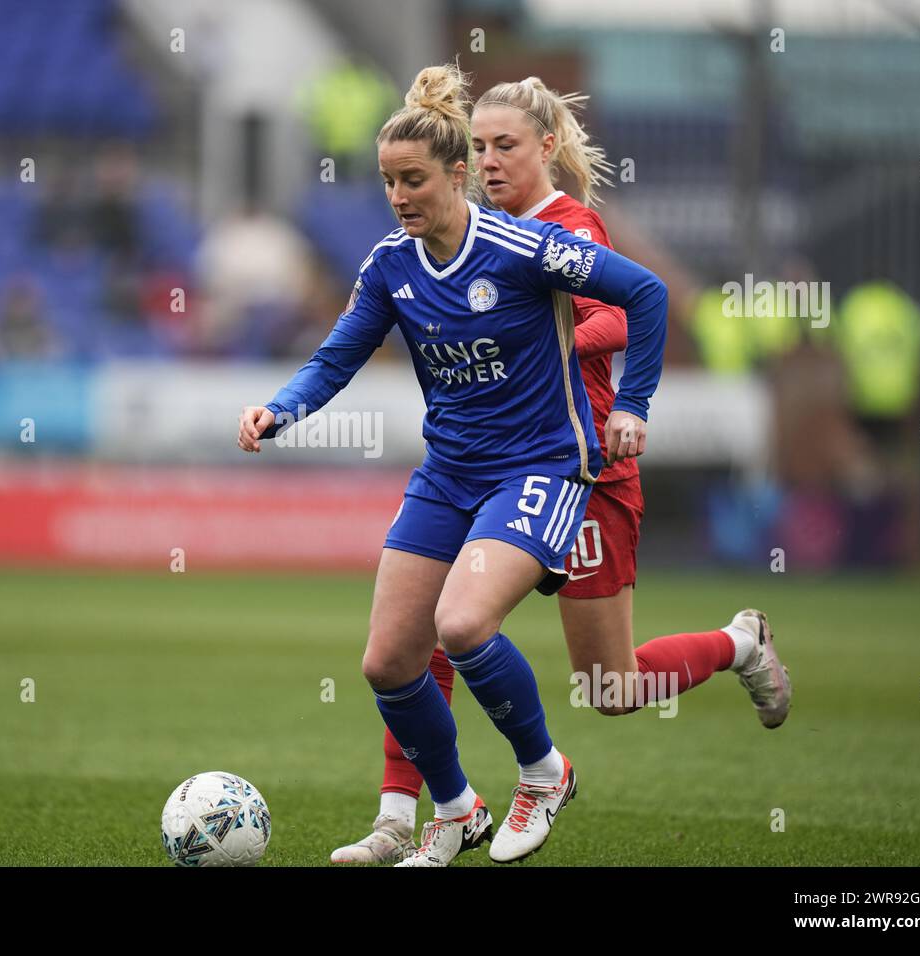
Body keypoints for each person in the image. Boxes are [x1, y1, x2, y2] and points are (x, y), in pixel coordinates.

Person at [331, 77, 795, 864]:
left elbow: (619, 313)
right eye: (477, 148)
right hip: (493, 468)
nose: (489, 162)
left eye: (505, 146)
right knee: (429, 634)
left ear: (547, 147)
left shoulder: (566, 225)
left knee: (610, 688)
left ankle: (738, 643)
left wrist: (527, 346)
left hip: (584, 473)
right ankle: (404, 817)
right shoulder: (464, 231)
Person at [239, 63, 669, 867]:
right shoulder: (389, 265)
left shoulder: (526, 246)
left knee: (465, 626)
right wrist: (281, 410)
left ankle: (543, 774)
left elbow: (644, 296)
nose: (399, 198)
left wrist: (634, 406)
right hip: (450, 473)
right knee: (387, 662)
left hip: (540, 467)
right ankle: (456, 808)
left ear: (457, 175)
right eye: (388, 183)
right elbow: (337, 356)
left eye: (414, 180)